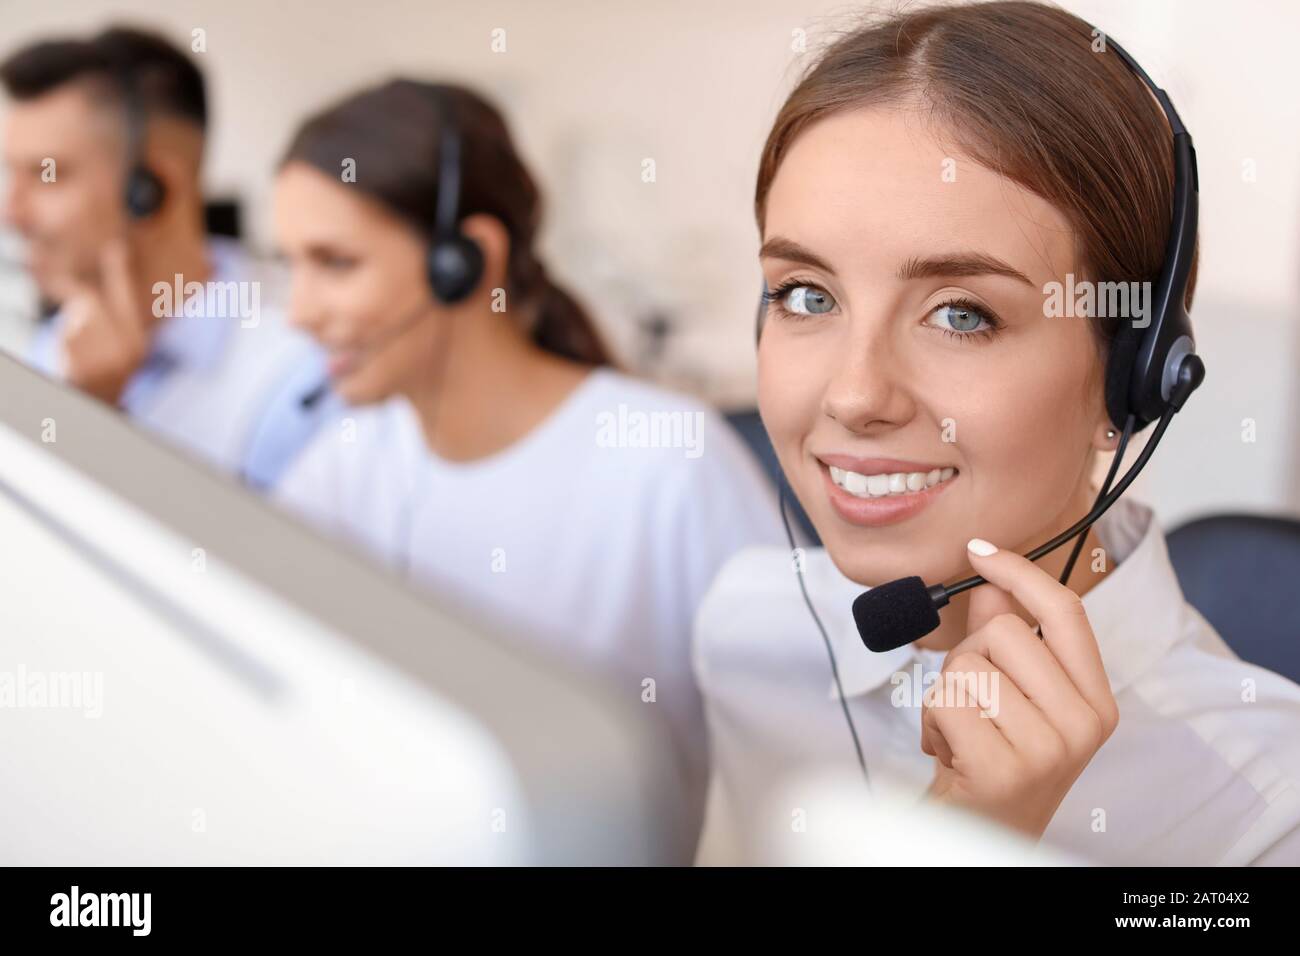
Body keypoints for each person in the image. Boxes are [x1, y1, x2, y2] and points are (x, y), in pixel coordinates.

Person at [693, 0, 1300, 865]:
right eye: (807, 295)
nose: (855, 394)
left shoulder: (1268, 813)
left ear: (1134, 378)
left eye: (963, 314)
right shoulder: (749, 630)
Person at [268, 79, 785, 855]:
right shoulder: (341, 463)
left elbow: (795, 774)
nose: (299, 312)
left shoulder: (667, 465)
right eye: (292, 265)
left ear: (465, 261)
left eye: (335, 263)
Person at [0, 27, 324, 483]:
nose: (10, 214)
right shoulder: (62, 337)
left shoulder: (299, 375)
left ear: (152, 190)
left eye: (46, 175)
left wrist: (97, 420)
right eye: (11, 175)